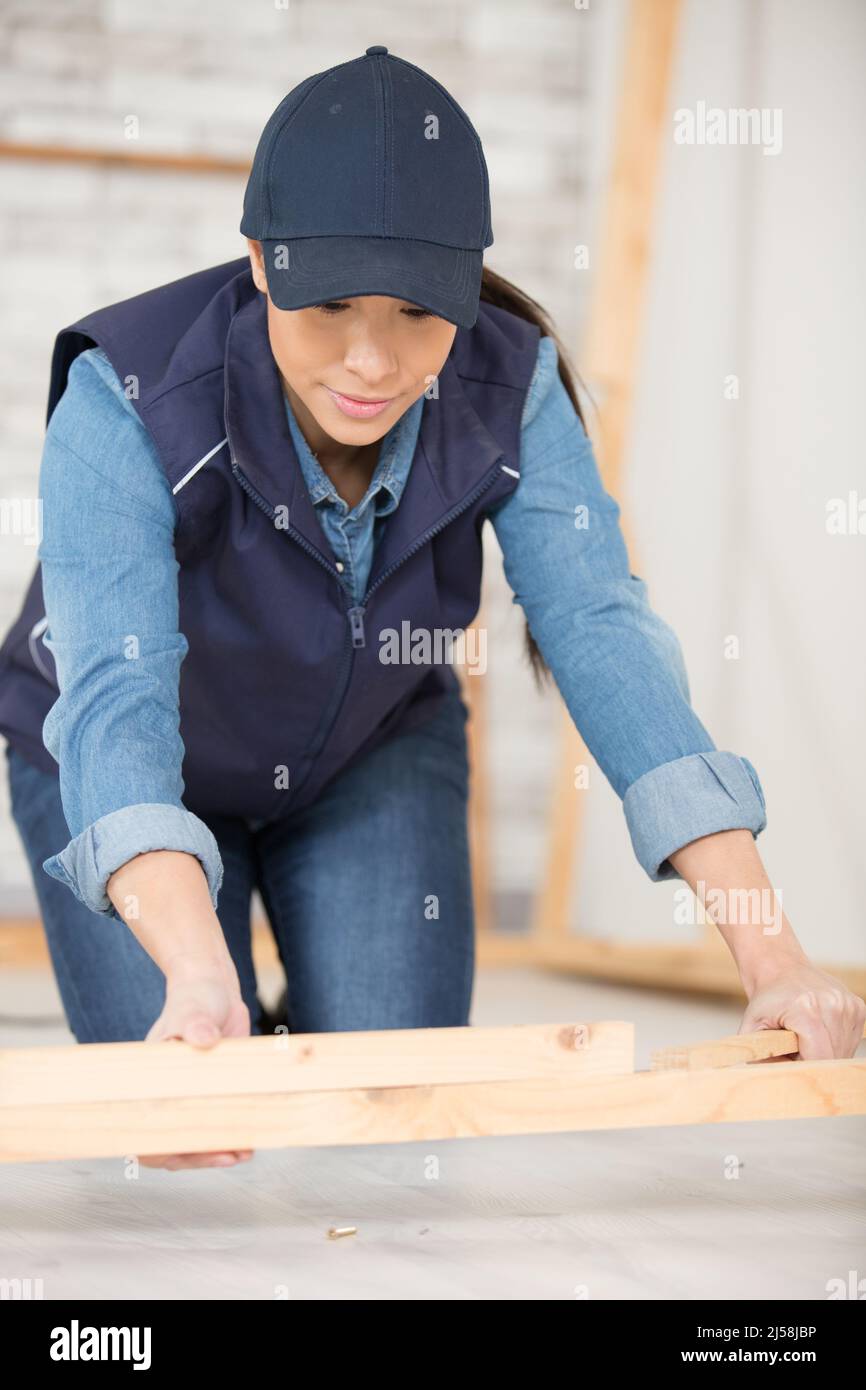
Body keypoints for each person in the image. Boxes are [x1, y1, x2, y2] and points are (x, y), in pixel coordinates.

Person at [0, 47, 861, 1172]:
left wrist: (774, 957)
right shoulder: (124, 394)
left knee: (388, 1101)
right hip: (129, 770)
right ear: (261, 261)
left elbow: (603, 637)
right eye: (330, 305)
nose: (370, 359)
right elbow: (113, 704)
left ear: (466, 286)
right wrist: (197, 973)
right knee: (188, 1094)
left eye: (415, 310)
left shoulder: (514, 384)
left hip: (370, 750)